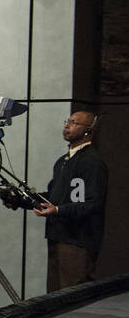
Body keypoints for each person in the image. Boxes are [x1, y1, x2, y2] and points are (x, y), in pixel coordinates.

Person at [34, 110, 108, 291]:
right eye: (67, 121)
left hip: (78, 241)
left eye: (74, 123)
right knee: (53, 295)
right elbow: (53, 198)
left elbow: (92, 203)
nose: (67, 125)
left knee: (71, 296)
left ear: (88, 130)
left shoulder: (92, 162)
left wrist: (58, 210)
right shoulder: (63, 161)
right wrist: (19, 199)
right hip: (57, 236)